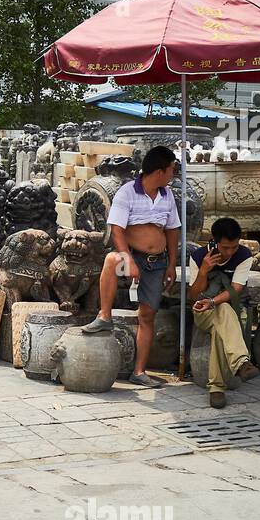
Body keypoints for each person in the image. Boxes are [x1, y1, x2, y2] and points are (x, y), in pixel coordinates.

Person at [83, 145, 181, 388]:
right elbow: (117, 229)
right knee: (111, 260)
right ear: (160, 171)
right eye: (171, 169)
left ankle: (139, 371)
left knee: (148, 315)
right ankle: (105, 315)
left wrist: (171, 264)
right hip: (131, 257)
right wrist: (127, 258)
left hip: (157, 262)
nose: (173, 174)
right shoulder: (127, 192)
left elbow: (172, 231)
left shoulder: (167, 195)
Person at [186, 217, 260, 408]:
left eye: (234, 247)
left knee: (223, 320)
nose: (230, 252)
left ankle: (216, 388)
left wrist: (213, 301)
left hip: (230, 308)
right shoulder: (198, 257)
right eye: (225, 247)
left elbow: (235, 289)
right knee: (224, 314)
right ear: (214, 241)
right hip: (202, 311)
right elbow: (193, 295)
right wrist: (204, 270)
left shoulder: (243, 255)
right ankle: (242, 362)